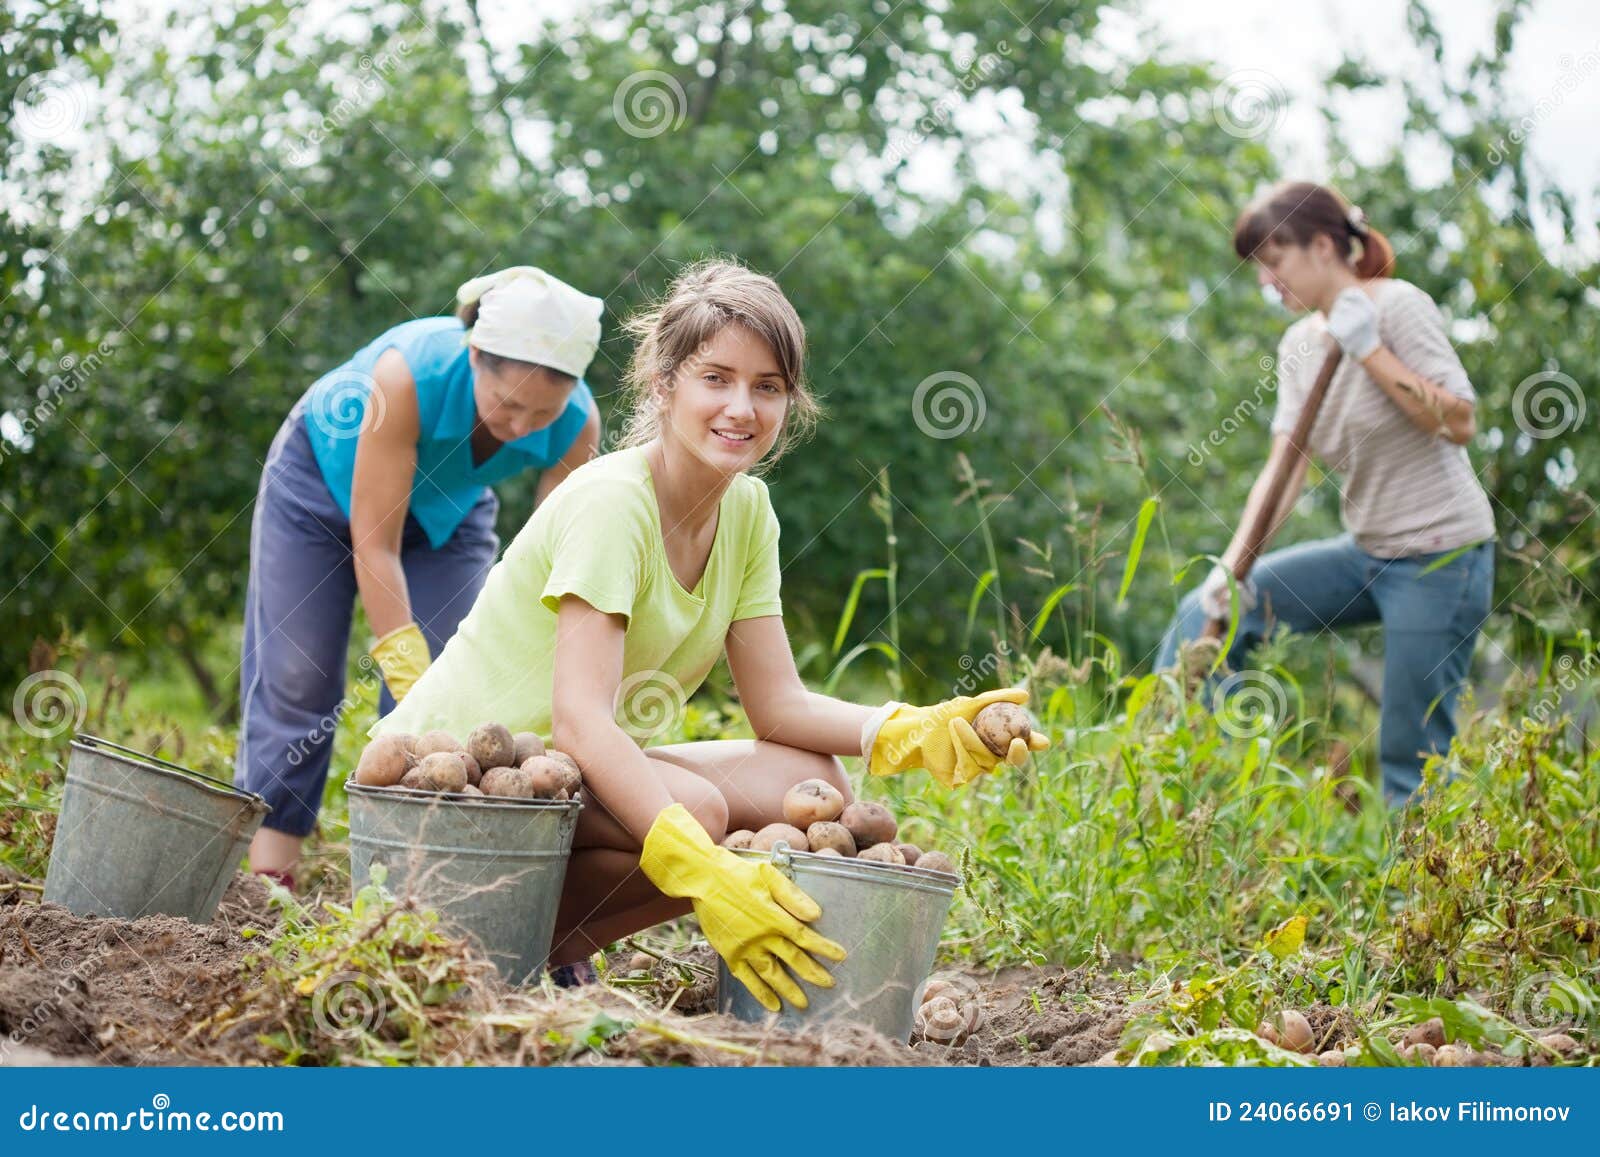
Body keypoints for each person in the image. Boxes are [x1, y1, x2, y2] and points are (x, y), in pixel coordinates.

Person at [377, 259, 1048, 1007]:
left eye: (768, 386)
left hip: (554, 789)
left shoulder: (748, 509)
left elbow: (780, 706)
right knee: (697, 810)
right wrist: (698, 867)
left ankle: (550, 947)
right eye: (716, 378)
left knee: (811, 782)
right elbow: (580, 720)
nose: (742, 407)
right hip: (437, 802)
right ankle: (489, 937)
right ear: (664, 385)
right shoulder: (611, 503)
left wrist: (911, 728)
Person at [238, 266, 604, 888]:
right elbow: (375, 545)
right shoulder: (405, 376)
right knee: (301, 675)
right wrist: (407, 673)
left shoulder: (577, 425)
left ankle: (408, 881)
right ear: (473, 357)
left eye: (541, 413)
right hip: (318, 488)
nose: (520, 427)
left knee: (450, 679)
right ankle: (269, 873)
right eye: (508, 405)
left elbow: (548, 566)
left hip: (448, 514)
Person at [1158, 182, 1496, 805]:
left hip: (1442, 560)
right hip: (1367, 555)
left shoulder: (1397, 308)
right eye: (1259, 266)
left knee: (1410, 751)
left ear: (1321, 246)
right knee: (1201, 619)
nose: (1266, 282)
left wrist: (1369, 350)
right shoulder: (1299, 345)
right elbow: (1284, 471)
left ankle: (1416, 898)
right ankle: (1191, 788)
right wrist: (1232, 569)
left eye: (1274, 261)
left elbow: (1459, 422)